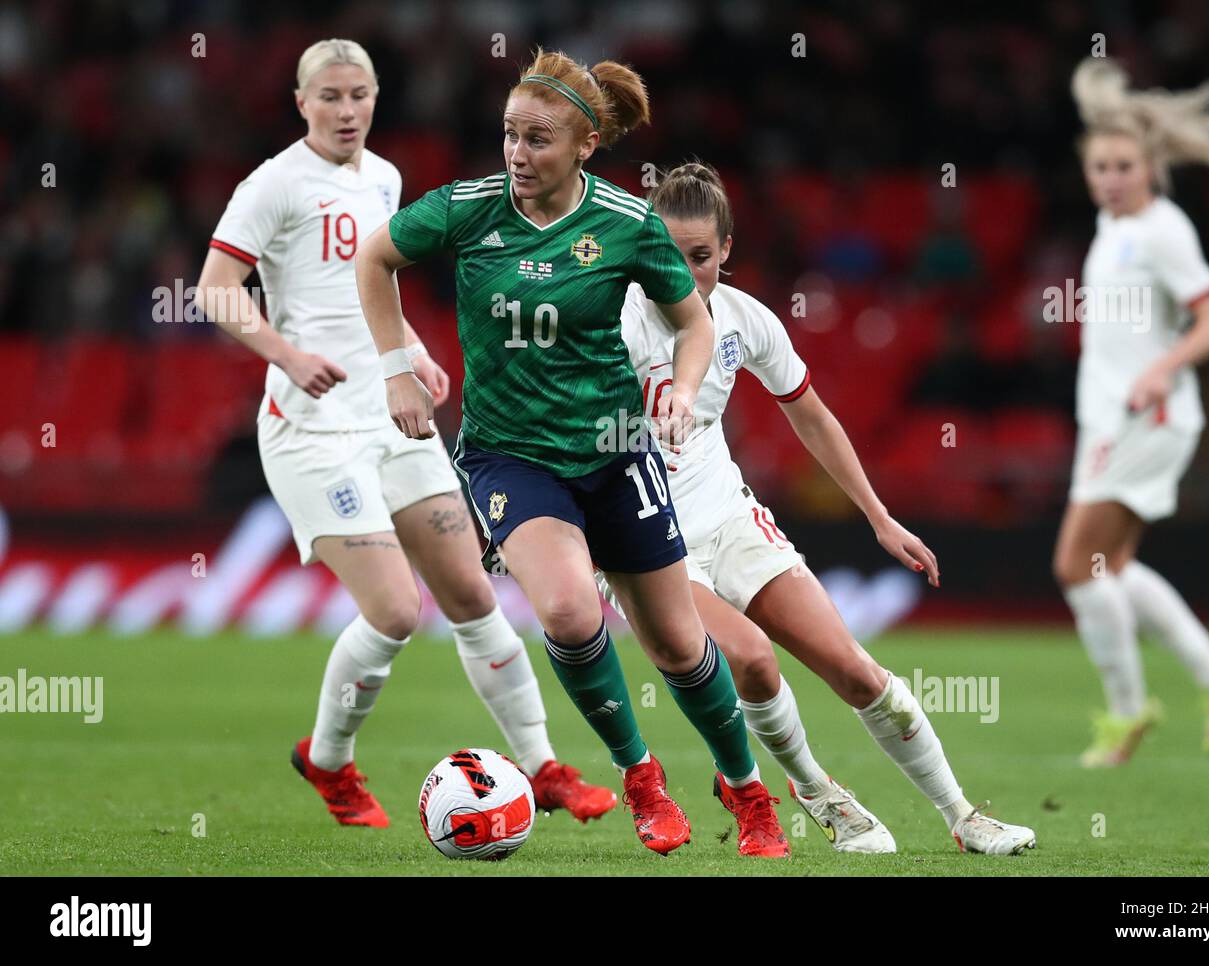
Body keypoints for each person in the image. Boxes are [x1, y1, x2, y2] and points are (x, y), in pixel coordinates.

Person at [355, 48, 788, 857]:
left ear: (586, 144)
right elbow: (373, 258)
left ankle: (748, 791)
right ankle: (640, 775)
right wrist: (396, 371)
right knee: (565, 609)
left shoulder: (628, 225)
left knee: (679, 645)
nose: (518, 155)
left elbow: (694, 321)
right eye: (510, 136)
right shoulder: (467, 208)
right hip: (509, 457)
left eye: (539, 140)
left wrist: (686, 390)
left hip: (617, 450)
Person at [196, 38, 616, 829]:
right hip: (314, 428)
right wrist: (285, 353)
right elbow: (215, 290)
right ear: (301, 102)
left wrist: (413, 354)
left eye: (359, 95)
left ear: (376, 97)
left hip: (394, 415)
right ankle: (328, 763)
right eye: (330, 97)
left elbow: (376, 281)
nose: (346, 110)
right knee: (394, 612)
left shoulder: (384, 177)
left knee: (469, 592)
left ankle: (543, 765)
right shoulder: (275, 184)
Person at [603, 161, 1038, 855]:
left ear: (728, 251)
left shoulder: (746, 321)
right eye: (670, 255)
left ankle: (962, 816)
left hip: (730, 518)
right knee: (752, 661)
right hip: (647, 540)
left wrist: (878, 516)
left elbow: (811, 416)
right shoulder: (611, 319)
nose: (685, 273)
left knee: (858, 671)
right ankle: (819, 792)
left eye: (702, 257)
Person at [1057, 58, 1209, 767]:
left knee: (1078, 566)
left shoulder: (1164, 229)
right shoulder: (1112, 228)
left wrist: (1159, 372)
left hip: (1148, 416)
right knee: (1114, 564)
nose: (1110, 177)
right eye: (1100, 166)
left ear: (1151, 168)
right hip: (1110, 416)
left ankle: (1128, 711)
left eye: (1123, 166)